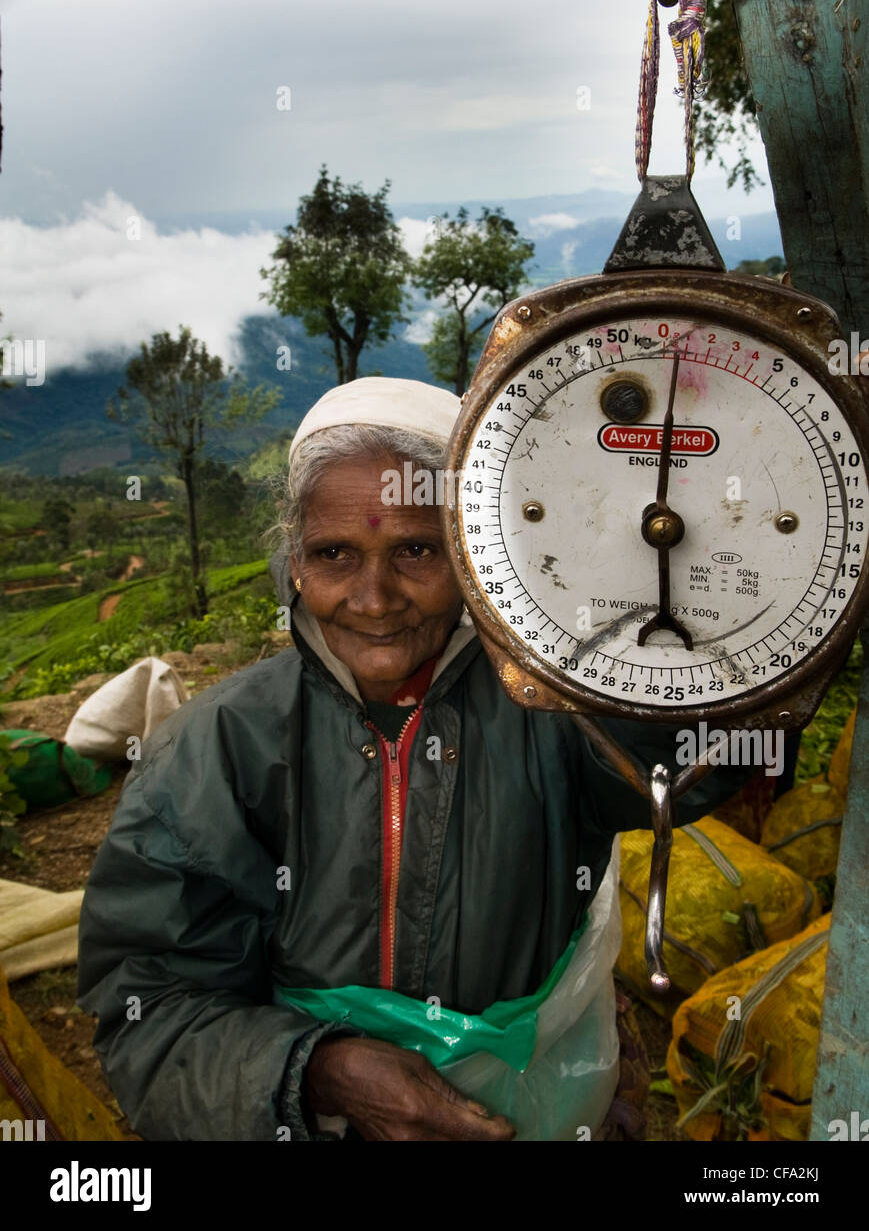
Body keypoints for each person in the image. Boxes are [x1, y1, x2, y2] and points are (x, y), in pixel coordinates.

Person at [77, 377, 756, 1141]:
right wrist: (315, 1076)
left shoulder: (559, 712)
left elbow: (696, 766)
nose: (373, 599)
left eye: (415, 551)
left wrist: (684, 579)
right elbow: (150, 1007)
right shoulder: (215, 747)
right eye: (334, 554)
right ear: (293, 564)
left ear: (476, 554)